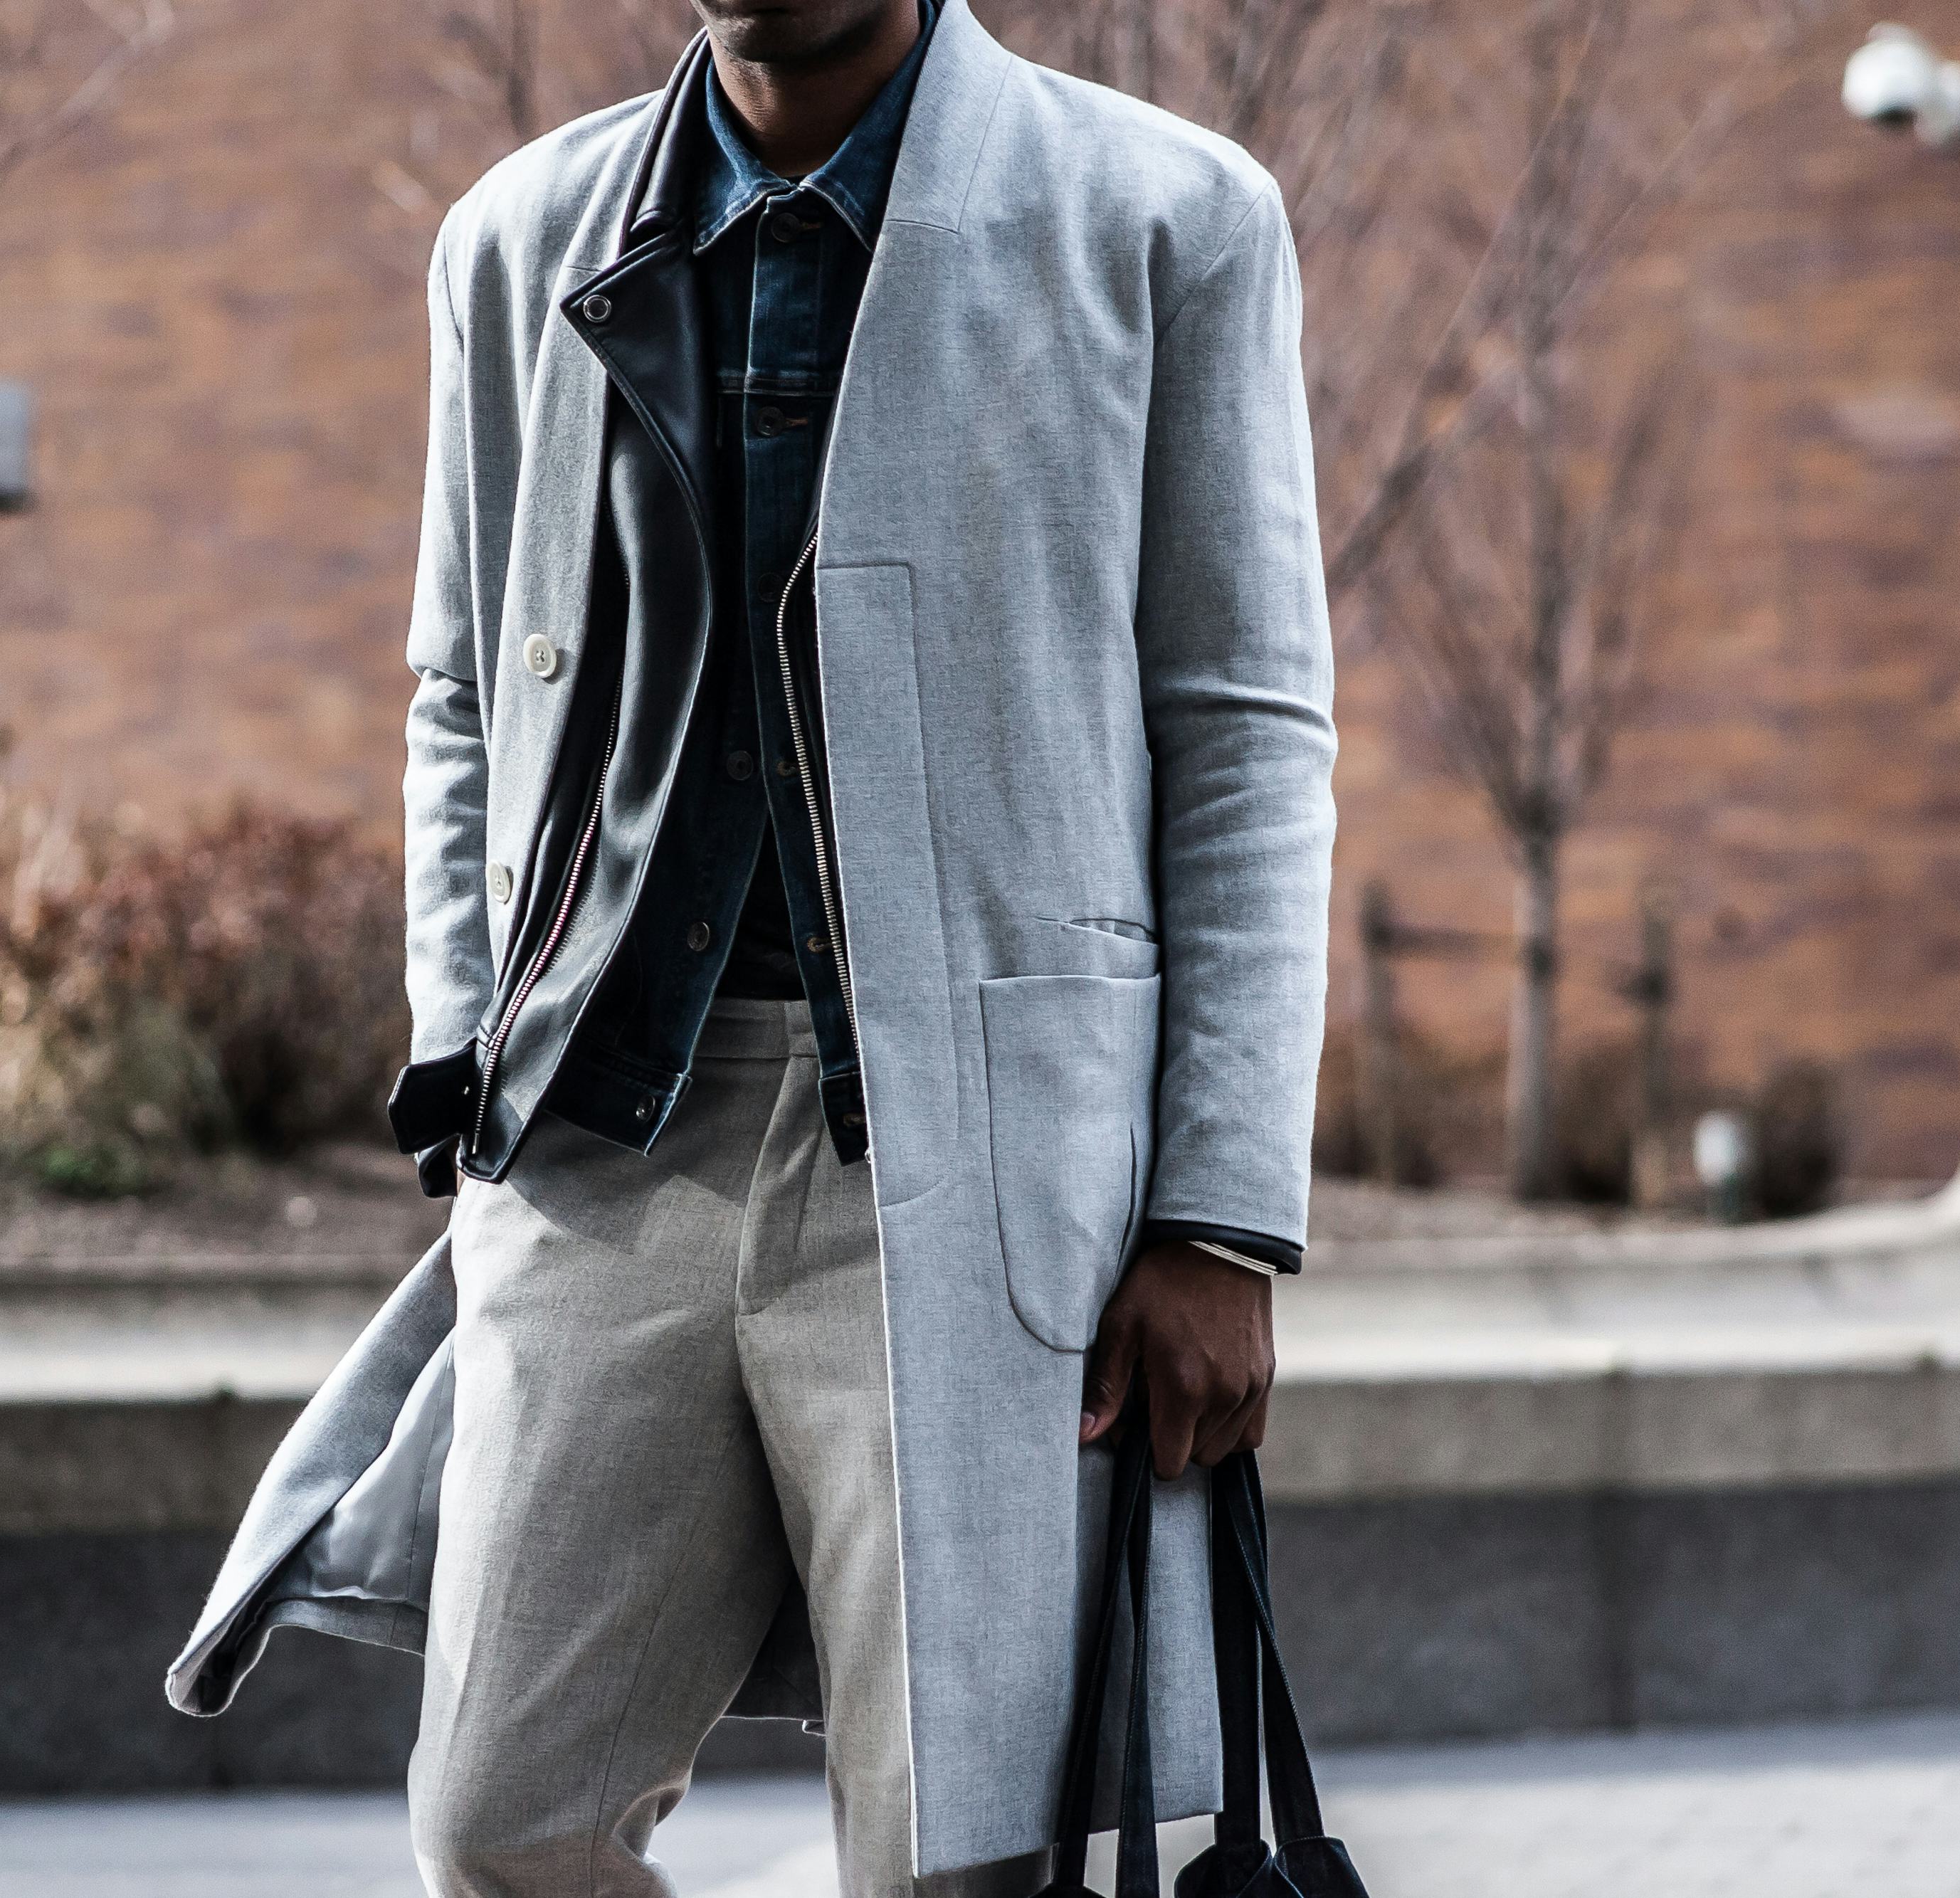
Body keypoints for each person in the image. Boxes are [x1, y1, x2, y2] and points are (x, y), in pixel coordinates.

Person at [382, 1, 1335, 1890]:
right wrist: (464, 1046)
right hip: (603, 1145)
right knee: (501, 1817)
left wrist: (1219, 1213)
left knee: (959, 1851)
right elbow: (460, 697)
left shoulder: (1166, 217)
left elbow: (1245, 727)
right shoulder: (515, 237)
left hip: (962, 1150)